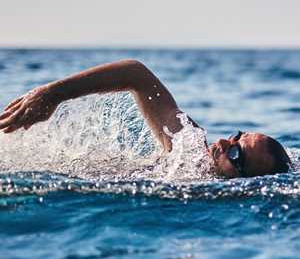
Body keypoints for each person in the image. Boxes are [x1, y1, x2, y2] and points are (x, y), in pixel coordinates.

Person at [0, 59, 291, 178]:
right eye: (237, 136)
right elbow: (136, 74)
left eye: (237, 153)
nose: (226, 143)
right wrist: (53, 94)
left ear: (240, 182)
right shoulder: (187, 147)